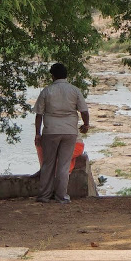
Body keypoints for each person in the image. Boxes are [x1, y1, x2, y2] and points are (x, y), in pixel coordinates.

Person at [34, 63, 89, 203]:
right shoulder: (75, 90)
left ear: (52, 76)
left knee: (48, 164)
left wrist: (37, 133)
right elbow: (84, 111)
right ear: (66, 75)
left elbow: (39, 115)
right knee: (64, 165)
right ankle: (61, 196)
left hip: (51, 131)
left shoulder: (46, 91)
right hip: (70, 131)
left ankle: (44, 195)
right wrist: (86, 125)